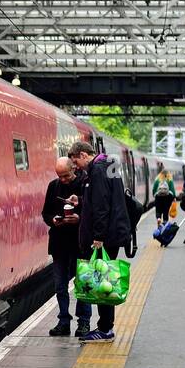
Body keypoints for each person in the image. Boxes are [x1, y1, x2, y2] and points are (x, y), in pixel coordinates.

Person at [68, 140, 132, 343]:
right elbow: (105, 198)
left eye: (76, 162)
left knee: (103, 282)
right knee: (103, 279)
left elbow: (102, 206)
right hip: (112, 233)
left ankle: (105, 329)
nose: (76, 167)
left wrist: (98, 237)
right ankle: (105, 327)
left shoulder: (97, 169)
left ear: (83, 155)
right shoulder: (108, 165)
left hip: (105, 236)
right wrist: (82, 200)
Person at [41, 157, 92, 338]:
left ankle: (84, 322)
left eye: (65, 175)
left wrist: (79, 218)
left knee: (83, 285)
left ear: (74, 170)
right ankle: (64, 321)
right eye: (59, 176)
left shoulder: (85, 185)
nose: (62, 179)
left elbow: (92, 210)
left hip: (80, 243)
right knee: (60, 286)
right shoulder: (53, 186)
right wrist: (53, 220)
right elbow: (45, 212)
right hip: (59, 244)